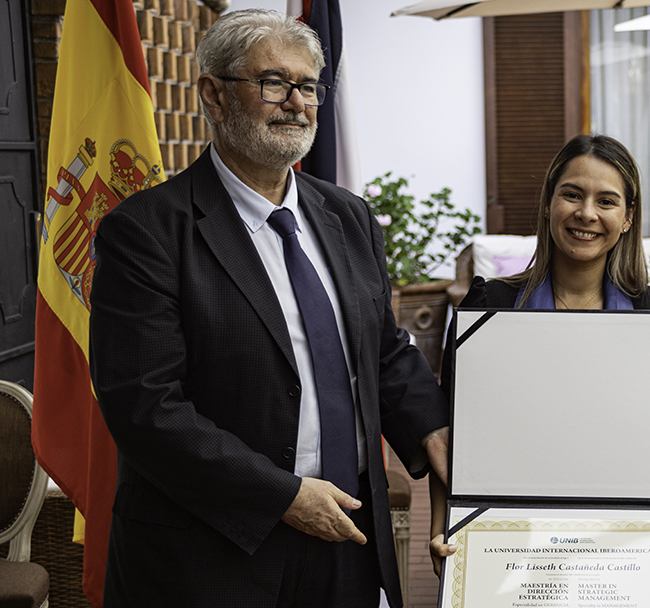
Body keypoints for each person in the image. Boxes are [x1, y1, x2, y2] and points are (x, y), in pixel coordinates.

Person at [88, 10, 448, 608]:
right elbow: (145, 406)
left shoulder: (348, 216)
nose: (296, 103)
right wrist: (281, 495)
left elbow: (380, 349)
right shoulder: (146, 231)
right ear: (213, 94)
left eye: (308, 86)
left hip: (346, 533)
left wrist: (434, 427)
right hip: (210, 554)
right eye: (274, 83)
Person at [427, 133, 650, 570]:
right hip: (514, 547)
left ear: (628, 217)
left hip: (624, 552)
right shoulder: (488, 310)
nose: (586, 213)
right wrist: (442, 527)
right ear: (549, 202)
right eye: (572, 195)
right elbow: (453, 431)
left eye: (607, 201)